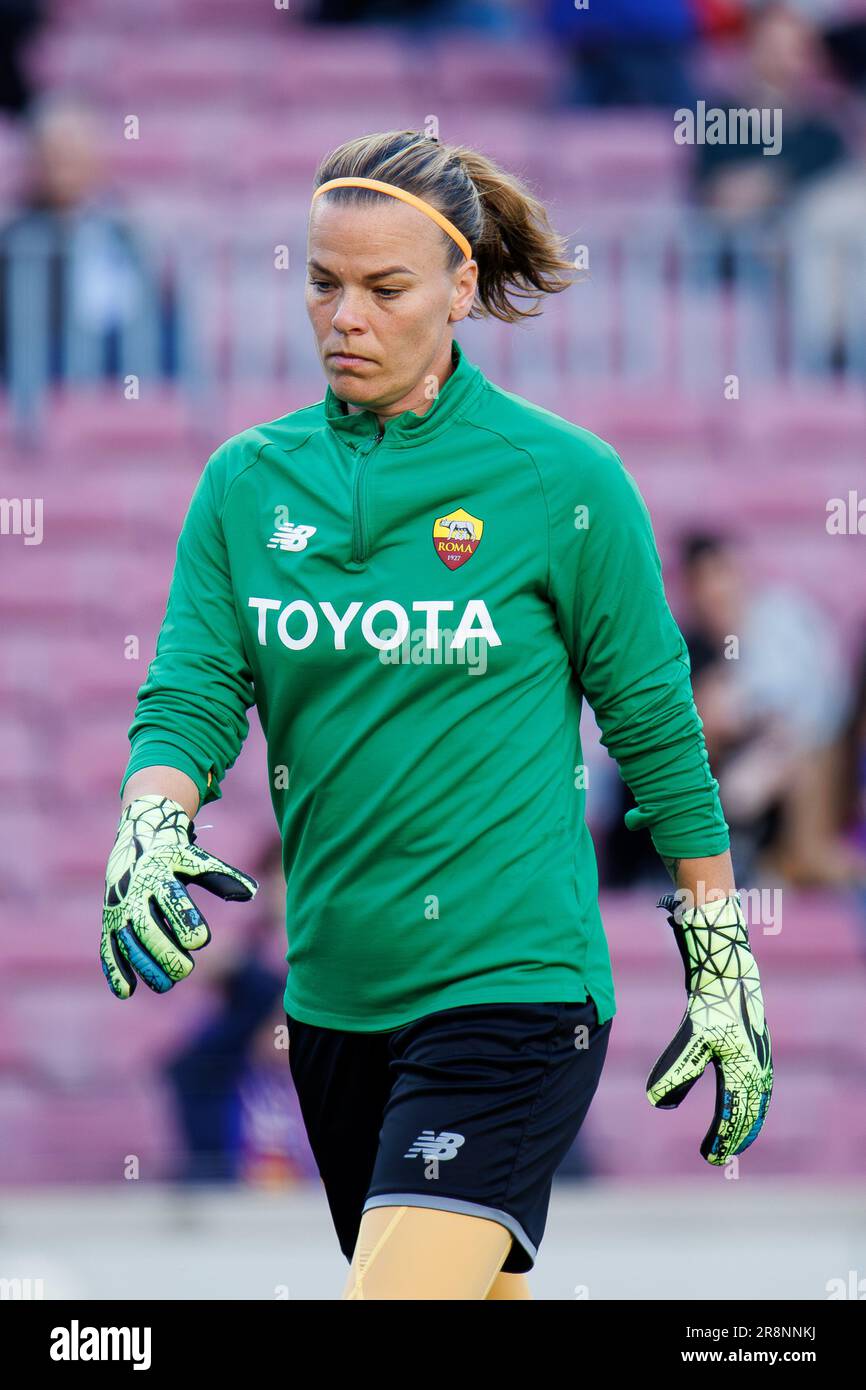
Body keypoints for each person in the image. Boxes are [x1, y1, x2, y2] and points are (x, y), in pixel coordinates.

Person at [101, 130, 773, 1301]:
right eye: (322, 281)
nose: (342, 315)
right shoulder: (244, 484)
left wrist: (716, 955)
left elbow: (656, 729)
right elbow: (193, 695)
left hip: (513, 987)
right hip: (333, 1003)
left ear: (461, 289)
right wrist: (149, 820)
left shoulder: (559, 481)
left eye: (383, 287)